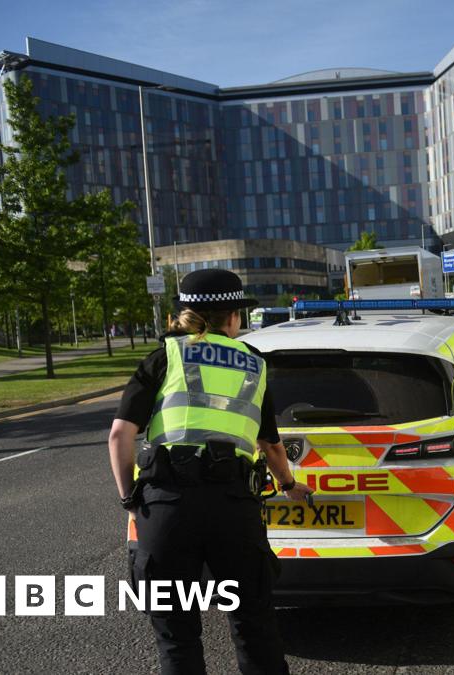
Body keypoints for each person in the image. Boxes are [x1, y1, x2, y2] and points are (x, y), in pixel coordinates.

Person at [107, 268, 313, 675]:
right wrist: (289, 485)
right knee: (254, 625)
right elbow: (269, 444)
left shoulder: (163, 356)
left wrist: (131, 500)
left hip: (166, 508)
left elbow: (119, 436)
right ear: (233, 316)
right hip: (232, 509)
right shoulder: (254, 364)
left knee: (178, 638)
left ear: (185, 312)